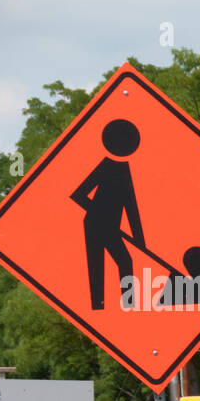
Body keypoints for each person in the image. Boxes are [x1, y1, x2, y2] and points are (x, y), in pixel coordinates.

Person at [71, 119, 144, 310]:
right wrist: (99, 212)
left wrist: (139, 238)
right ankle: (99, 308)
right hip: (94, 224)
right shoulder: (106, 165)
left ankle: (129, 306)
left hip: (110, 226)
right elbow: (78, 194)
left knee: (125, 261)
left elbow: (131, 205)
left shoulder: (124, 168)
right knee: (98, 267)